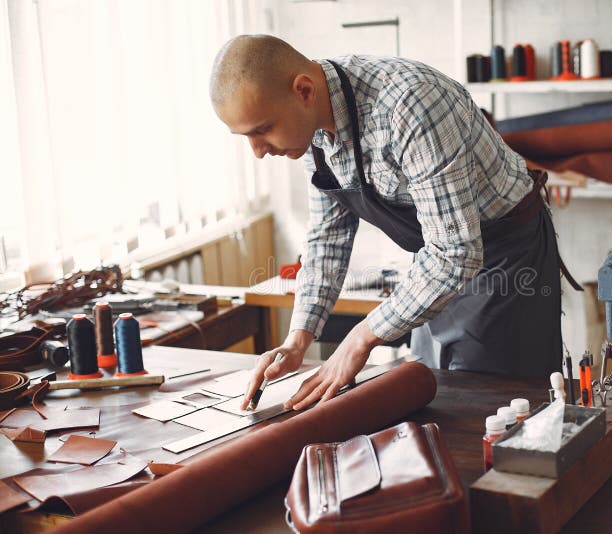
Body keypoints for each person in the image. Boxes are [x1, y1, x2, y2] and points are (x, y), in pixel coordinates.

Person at [209, 35, 577, 412]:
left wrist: (360, 338)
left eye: (262, 129)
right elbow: (327, 241)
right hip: (436, 262)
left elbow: (456, 254)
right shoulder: (312, 130)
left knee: (494, 412)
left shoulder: (410, 105)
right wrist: (297, 339)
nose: (257, 151)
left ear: (303, 90)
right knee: (430, 393)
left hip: (506, 264)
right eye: (246, 137)